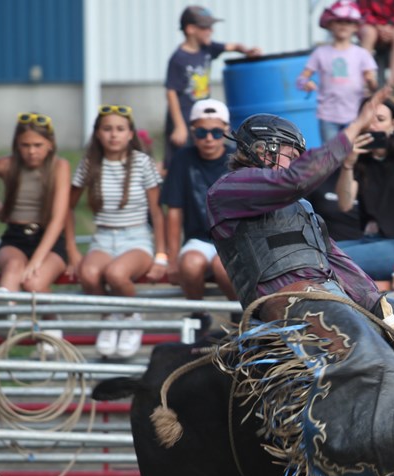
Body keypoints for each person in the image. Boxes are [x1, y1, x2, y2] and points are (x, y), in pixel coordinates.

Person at [205, 88, 394, 476]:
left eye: (300, 152)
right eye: (290, 150)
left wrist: (377, 304)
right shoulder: (229, 190)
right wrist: (353, 130)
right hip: (288, 305)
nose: (296, 158)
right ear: (261, 148)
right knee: (380, 362)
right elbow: (293, 180)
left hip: (337, 297)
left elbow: (336, 260)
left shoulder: (300, 206)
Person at [66, 104, 166, 360]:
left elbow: (157, 212)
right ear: (97, 133)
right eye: (107, 129)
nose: (113, 134)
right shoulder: (90, 164)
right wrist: (73, 252)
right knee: (88, 273)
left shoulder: (142, 163)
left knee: (116, 273)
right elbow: (67, 207)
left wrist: (161, 255)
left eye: (120, 129)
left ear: (130, 134)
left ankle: (132, 318)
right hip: (103, 237)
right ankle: (110, 317)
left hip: (136, 238)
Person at [0, 112, 72, 296]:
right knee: (13, 267)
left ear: (50, 144)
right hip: (15, 237)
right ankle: (4, 309)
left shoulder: (60, 167)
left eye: (38, 145)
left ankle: (52, 322)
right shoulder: (5, 165)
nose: (31, 151)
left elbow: (58, 219)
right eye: (25, 145)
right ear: (16, 145)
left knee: (33, 282)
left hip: (48, 241)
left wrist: (36, 260)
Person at [336, 97, 394, 288]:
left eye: (380, 119)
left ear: (393, 125)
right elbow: (345, 204)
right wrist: (348, 164)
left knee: (328, 261)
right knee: (319, 253)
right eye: (368, 119)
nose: (373, 125)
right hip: (369, 240)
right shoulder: (361, 160)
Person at [164, 5, 260, 157]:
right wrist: (179, 126)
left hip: (202, 116)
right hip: (184, 116)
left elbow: (232, 46)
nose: (211, 31)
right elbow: (171, 92)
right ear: (190, 29)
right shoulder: (179, 58)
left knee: (203, 154)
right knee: (180, 156)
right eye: (205, 27)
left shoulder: (207, 48)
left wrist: (246, 51)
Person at [163, 99, 234, 302]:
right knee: (189, 265)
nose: (209, 138)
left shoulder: (238, 159)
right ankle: (199, 315)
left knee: (224, 268)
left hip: (233, 239)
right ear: (193, 131)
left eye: (216, 132)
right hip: (198, 240)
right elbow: (174, 211)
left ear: (226, 131)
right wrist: (172, 258)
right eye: (202, 132)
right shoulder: (182, 159)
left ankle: (241, 319)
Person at [298, 2, 380, 144]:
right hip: (328, 115)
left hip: (355, 115)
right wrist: (306, 83)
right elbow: (301, 79)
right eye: (339, 21)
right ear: (330, 24)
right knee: (331, 157)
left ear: (355, 26)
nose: (343, 25)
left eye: (348, 22)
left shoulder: (361, 54)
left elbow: (374, 86)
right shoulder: (320, 53)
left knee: (352, 155)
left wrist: (371, 82)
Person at [357, 0, 394, 90]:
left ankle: (391, 84)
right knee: (369, 33)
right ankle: (365, 81)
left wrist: (389, 26)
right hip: (371, 25)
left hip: (391, 27)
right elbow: (364, 12)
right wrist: (378, 26)